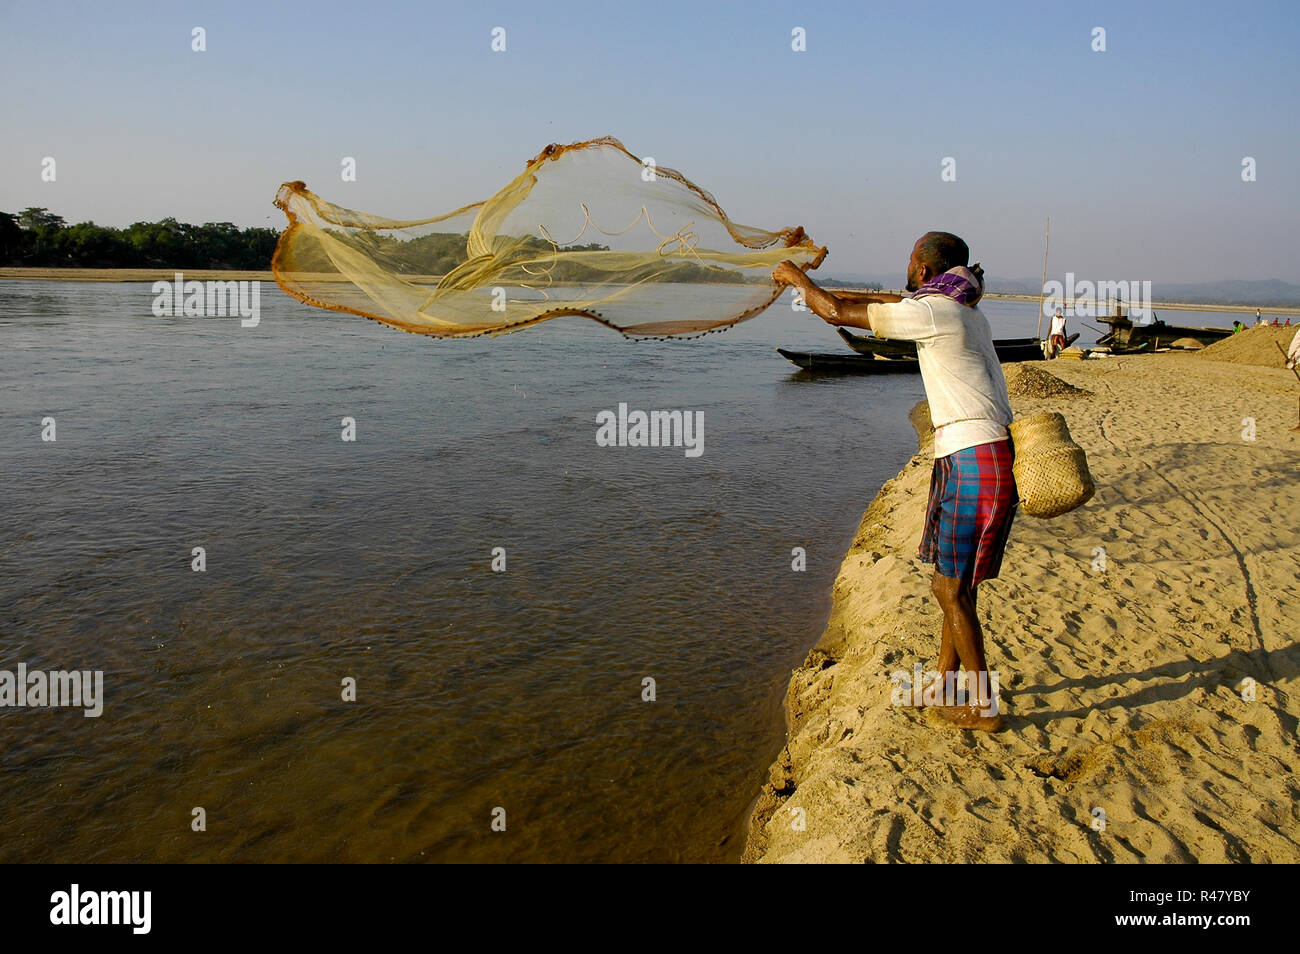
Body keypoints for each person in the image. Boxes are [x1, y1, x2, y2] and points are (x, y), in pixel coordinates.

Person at [772, 232, 1014, 732]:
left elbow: (838, 313)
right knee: (957, 585)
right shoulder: (964, 309)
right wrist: (820, 287)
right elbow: (885, 302)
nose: (906, 266)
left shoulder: (934, 314)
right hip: (977, 452)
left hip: (973, 457)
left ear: (924, 270)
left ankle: (982, 705)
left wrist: (796, 278)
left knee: (948, 587)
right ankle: (945, 683)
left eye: (910, 259)